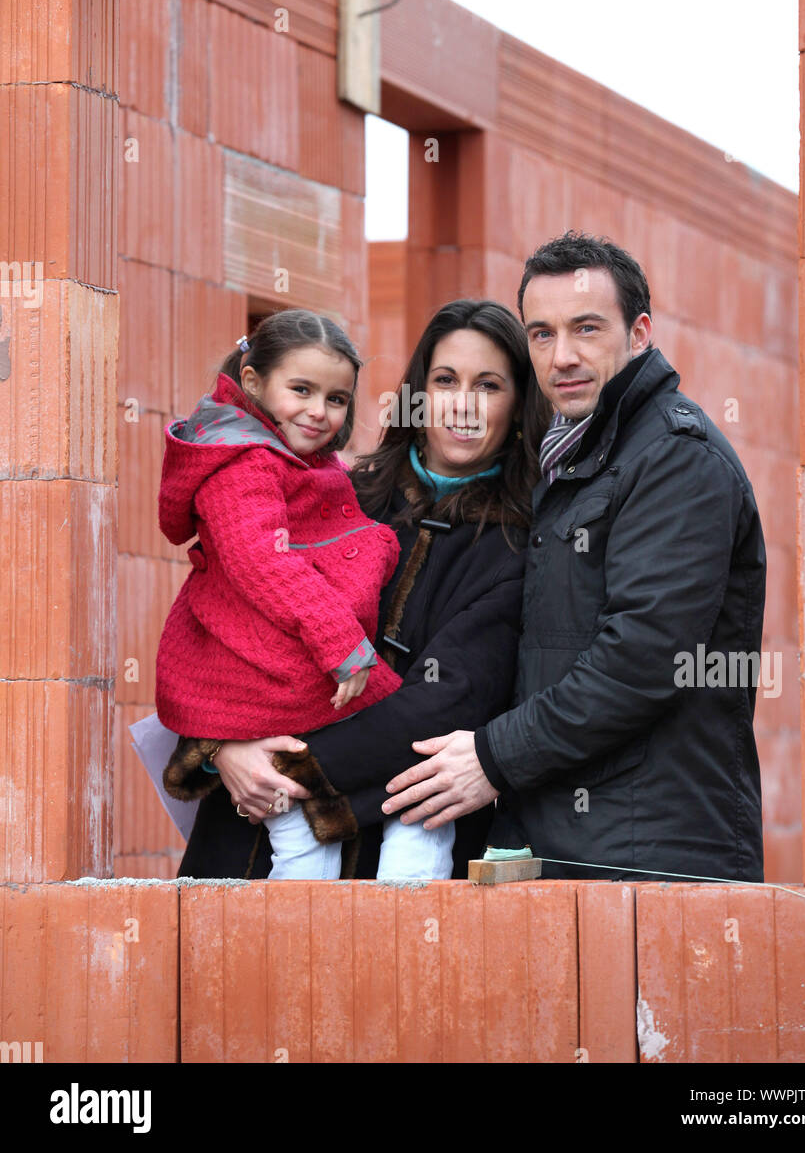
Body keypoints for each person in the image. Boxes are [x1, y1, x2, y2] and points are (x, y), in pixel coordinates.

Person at [382, 232, 766, 884]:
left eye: (586, 328)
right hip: (567, 847)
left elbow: (642, 658)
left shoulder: (675, 458)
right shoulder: (571, 462)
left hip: (654, 858)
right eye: (541, 334)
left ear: (639, 332)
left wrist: (493, 758)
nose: (563, 356)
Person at [165, 299, 542, 881]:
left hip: (403, 828)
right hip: (252, 830)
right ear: (418, 394)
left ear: (518, 405)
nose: (463, 405)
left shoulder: (524, 540)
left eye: (488, 386)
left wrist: (296, 770)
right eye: (445, 381)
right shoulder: (336, 490)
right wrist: (220, 751)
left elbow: (449, 702)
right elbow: (221, 612)